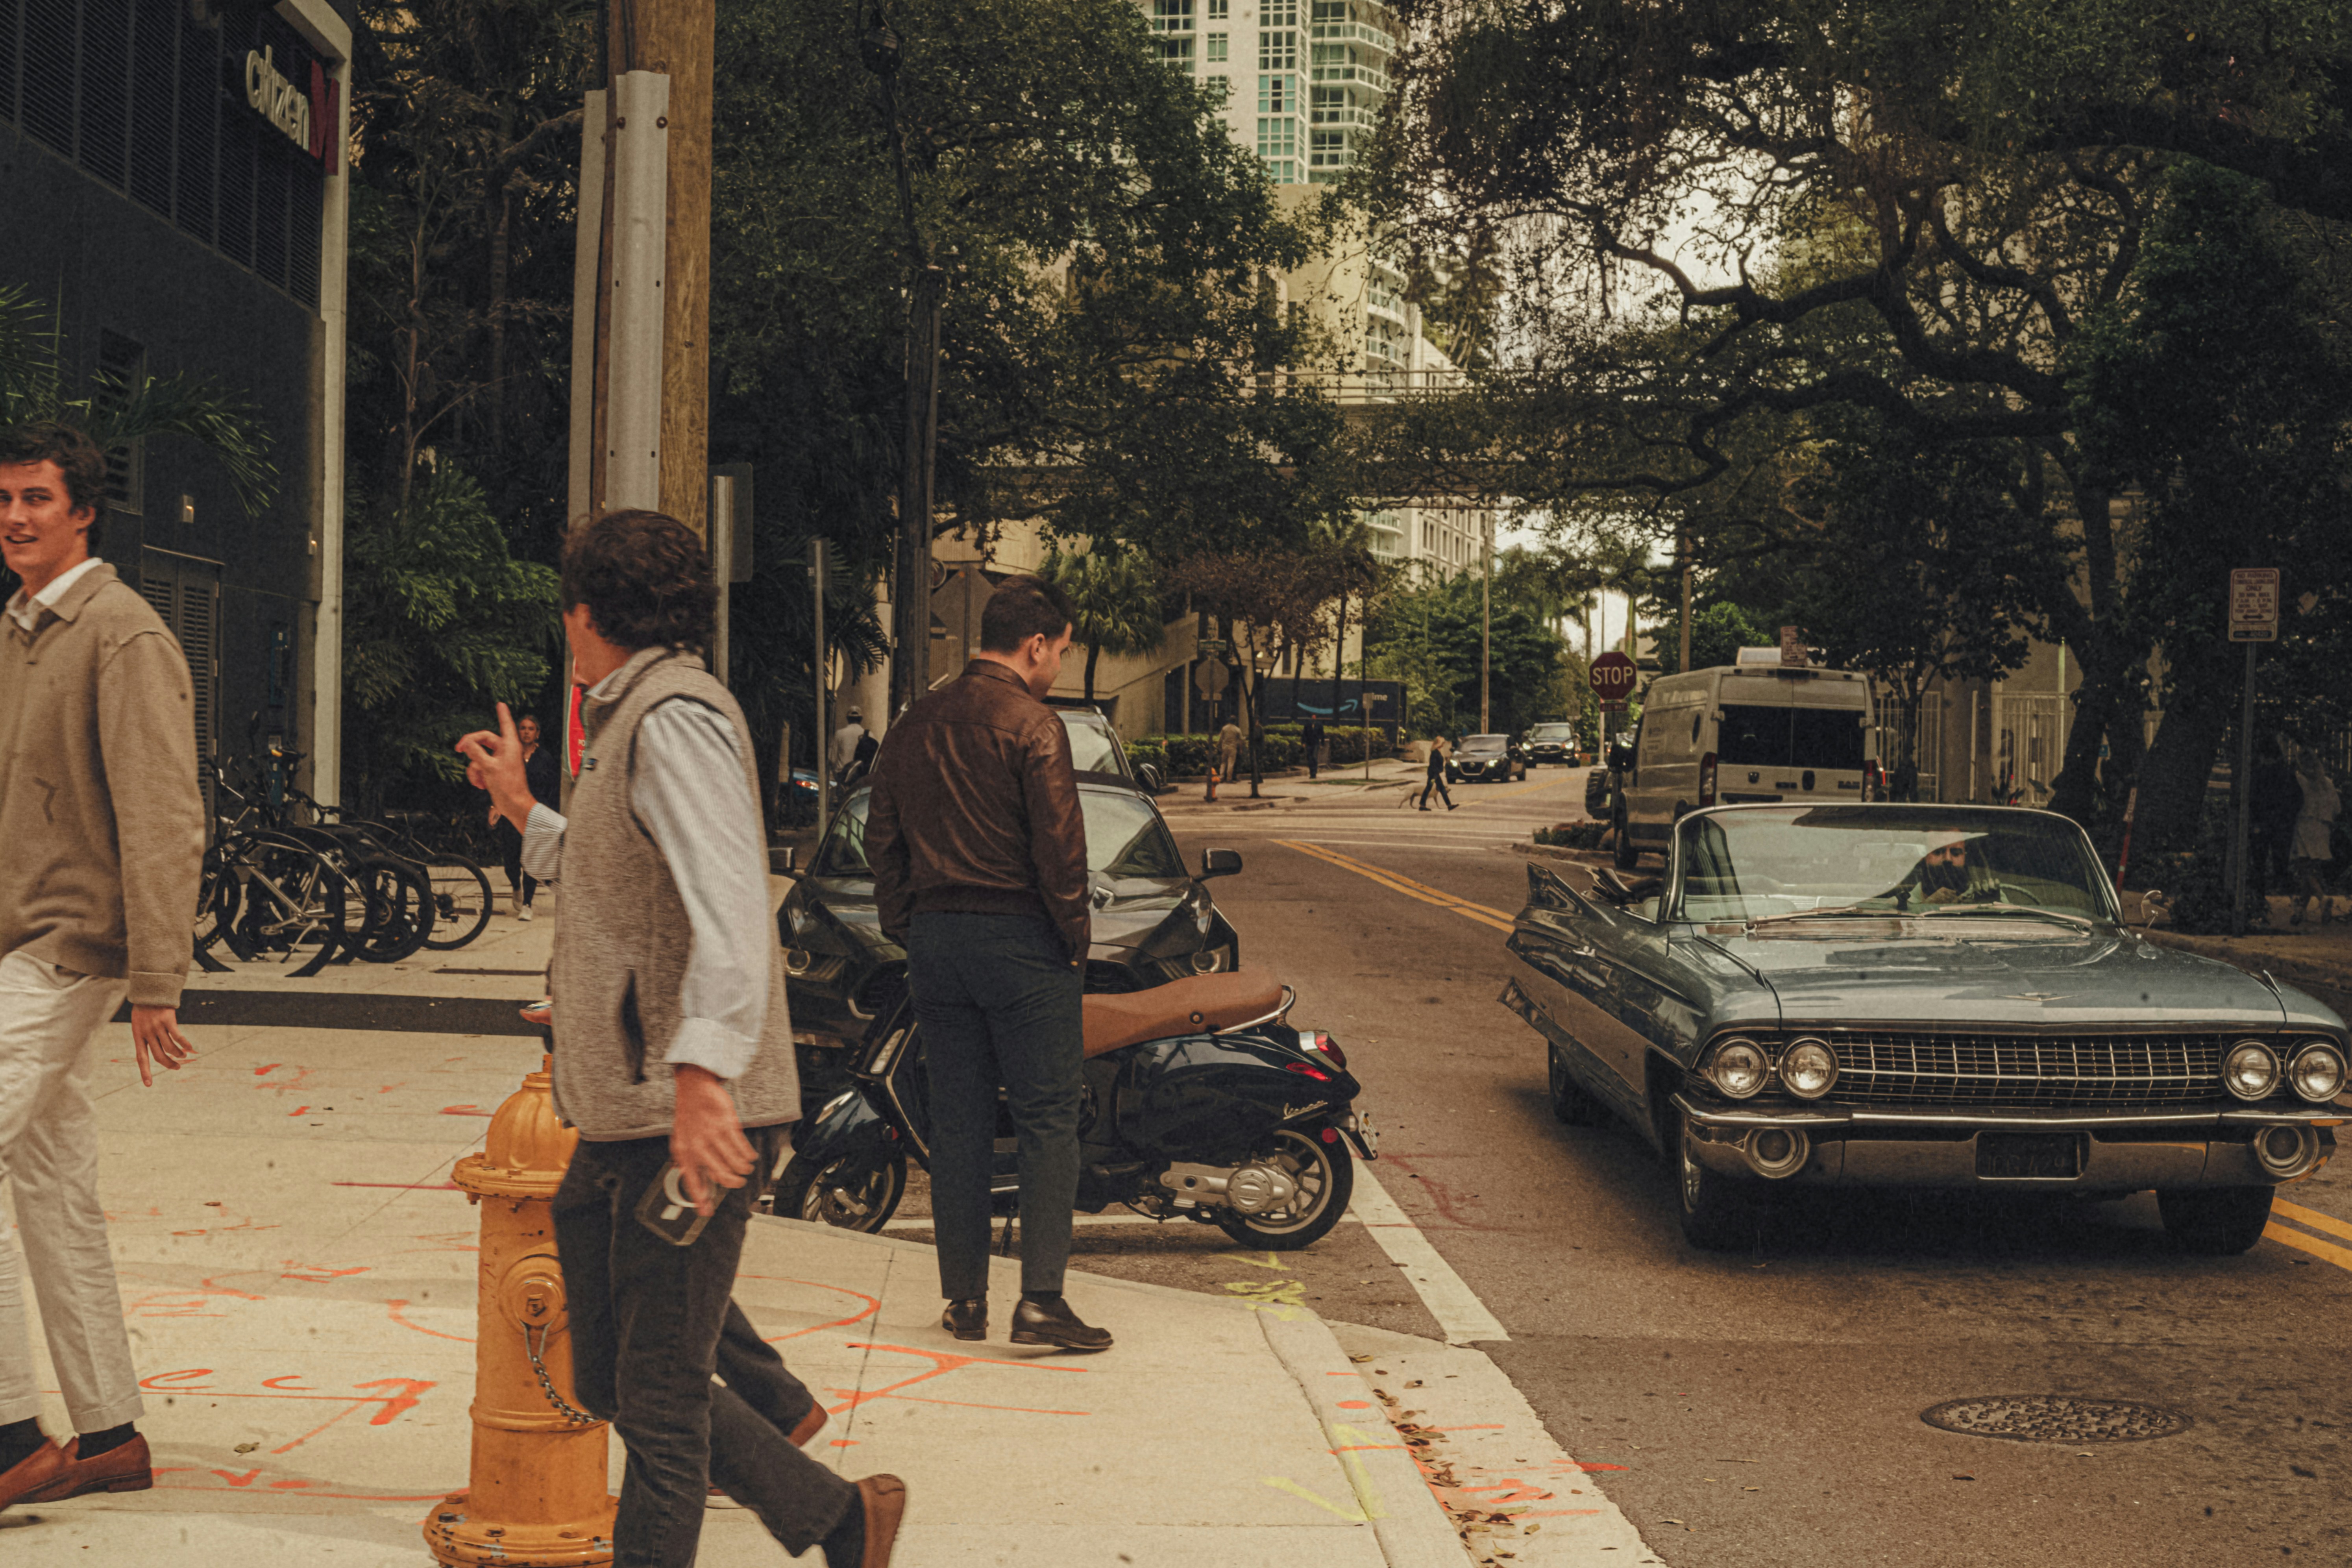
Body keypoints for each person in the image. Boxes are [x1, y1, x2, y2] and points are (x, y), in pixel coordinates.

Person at [458, 509, 903, 1568]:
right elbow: (615, 874)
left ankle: (827, 1514)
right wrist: (521, 807)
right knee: (613, 1377)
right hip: (626, 1114)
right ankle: (836, 1517)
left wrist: (704, 1074)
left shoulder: (674, 720)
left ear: (582, 615)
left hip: (685, 1118)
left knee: (657, 1402)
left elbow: (734, 906)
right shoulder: (627, 719)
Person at [0, 422, 204, 1509]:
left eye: (37, 497)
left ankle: (7, 1439)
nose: (15, 518)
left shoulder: (122, 634)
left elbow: (163, 814)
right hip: (20, 942)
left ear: (84, 511)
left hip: (69, 948)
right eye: (4, 499)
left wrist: (158, 980)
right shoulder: (20, 629)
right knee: (52, 1182)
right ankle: (109, 1433)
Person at [864, 575, 1110, 1353]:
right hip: (1022, 939)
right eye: (1060, 651)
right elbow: (1061, 850)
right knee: (1047, 1118)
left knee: (960, 1122)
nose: (1058, 667)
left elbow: (881, 837)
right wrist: (1072, 941)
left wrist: (909, 925)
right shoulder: (1035, 725)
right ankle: (1041, 1300)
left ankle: (964, 1298)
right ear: (1034, 645)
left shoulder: (914, 721)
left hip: (937, 941)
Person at [486, 712, 561, 920]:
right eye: (523, 728)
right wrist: (495, 806)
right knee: (511, 860)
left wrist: (551, 815)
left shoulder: (545, 758)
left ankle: (528, 904)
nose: (527, 732)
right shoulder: (509, 756)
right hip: (511, 814)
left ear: (537, 734)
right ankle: (515, 886)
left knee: (530, 859)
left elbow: (553, 788)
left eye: (531, 729)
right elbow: (497, 783)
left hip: (536, 815)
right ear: (518, 732)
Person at [2248, 743, 2302, 928]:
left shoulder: (2257, 775)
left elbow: (2252, 800)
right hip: (2282, 828)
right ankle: (2294, 905)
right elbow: (2298, 800)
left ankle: (2259, 907)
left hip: (2262, 827)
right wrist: (2287, 820)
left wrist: (2255, 822)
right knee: (2282, 866)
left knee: (2259, 867)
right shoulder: (2287, 775)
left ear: (2263, 756)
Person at [2289, 751, 2340, 926]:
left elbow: (2293, 803)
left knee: (2304, 867)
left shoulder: (2299, 780)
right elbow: (2337, 809)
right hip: (2323, 828)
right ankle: (2301, 910)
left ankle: (2322, 898)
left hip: (2305, 825)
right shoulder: (2328, 783)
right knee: (2312, 870)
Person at [1418, 734, 1457, 811]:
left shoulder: (1438, 751)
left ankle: (1449, 805)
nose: (1443, 744)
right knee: (1430, 788)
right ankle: (1422, 805)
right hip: (1434, 774)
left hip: (1435, 774)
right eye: (1442, 743)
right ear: (1439, 743)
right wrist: (1436, 774)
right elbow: (1433, 764)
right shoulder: (1435, 752)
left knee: (1441, 789)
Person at [830, 707, 867, 781]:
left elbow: (832, 759)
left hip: (842, 776)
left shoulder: (839, 734)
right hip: (860, 777)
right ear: (861, 719)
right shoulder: (869, 735)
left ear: (848, 719)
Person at [1210, 716, 1242, 802]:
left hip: (1225, 747)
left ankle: (1221, 777)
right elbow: (1240, 741)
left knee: (1223, 762)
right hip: (1233, 747)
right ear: (1235, 721)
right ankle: (1229, 778)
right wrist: (1240, 749)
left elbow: (1221, 738)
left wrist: (1218, 745)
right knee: (1231, 763)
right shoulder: (1237, 730)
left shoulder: (1224, 728)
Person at [1301, 715, 1325, 780]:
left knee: (1314, 757)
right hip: (1309, 743)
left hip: (1316, 743)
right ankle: (1311, 772)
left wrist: (1322, 744)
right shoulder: (1307, 725)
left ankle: (1315, 772)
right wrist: (1303, 742)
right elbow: (1304, 734)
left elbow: (1322, 734)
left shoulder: (1319, 725)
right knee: (1310, 758)